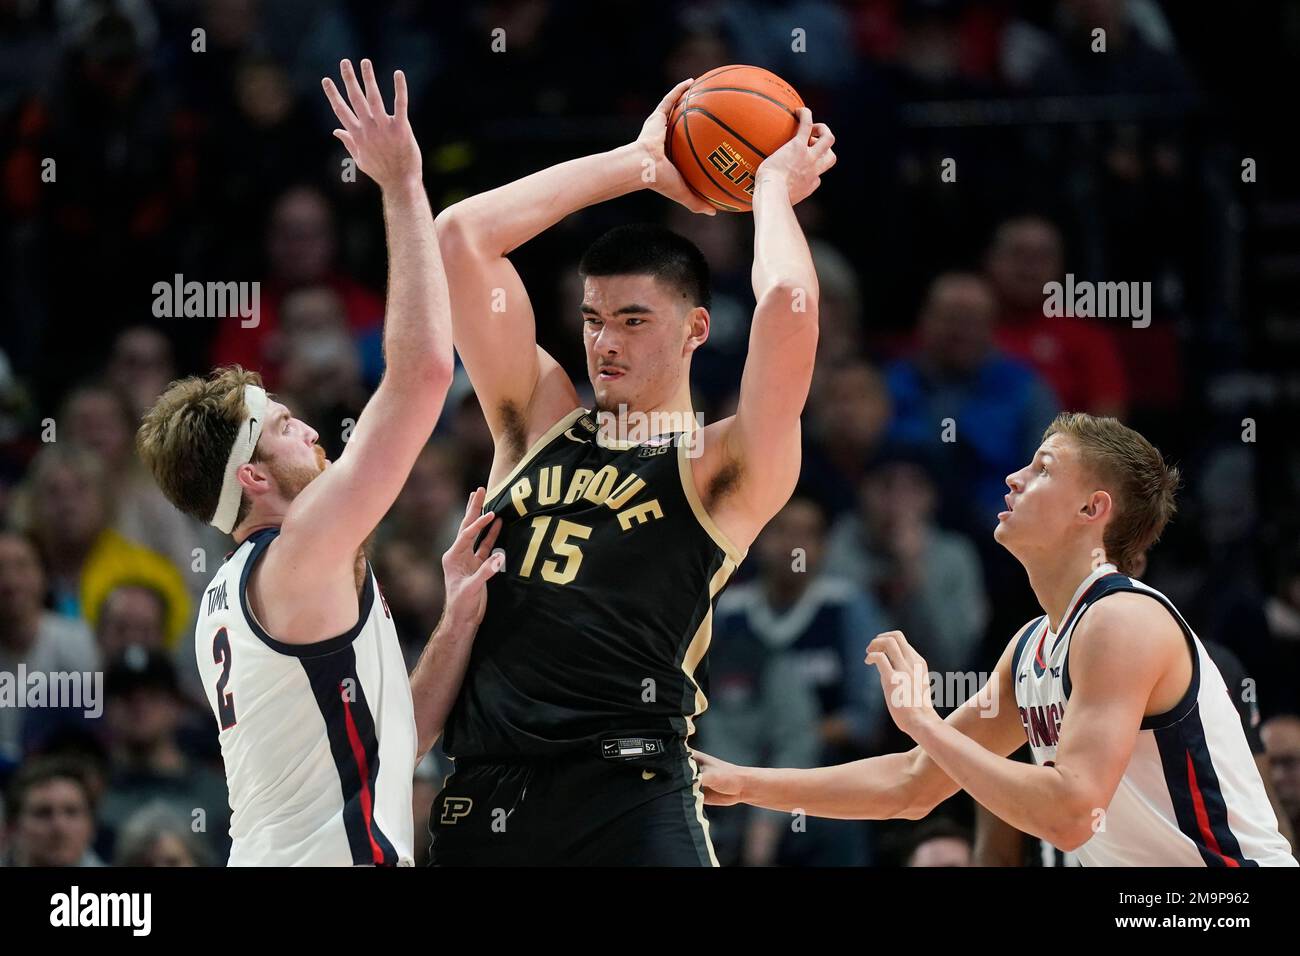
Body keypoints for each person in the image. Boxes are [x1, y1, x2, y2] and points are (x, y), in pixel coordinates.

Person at [430, 79, 836, 865]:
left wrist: (771, 193)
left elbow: (788, 300)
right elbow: (459, 237)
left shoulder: (721, 465)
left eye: (632, 320)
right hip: (486, 791)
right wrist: (639, 163)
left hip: (630, 793)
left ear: (695, 331)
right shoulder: (535, 421)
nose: (604, 343)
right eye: (592, 320)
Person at [134, 59, 494, 866]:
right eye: (289, 428)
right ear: (252, 478)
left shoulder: (244, 594)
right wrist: (402, 182)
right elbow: (425, 374)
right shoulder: (297, 557)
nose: (316, 436)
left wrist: (456, 617)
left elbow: (392, 738)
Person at [697, 412, 1297, 866]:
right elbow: (912, 785)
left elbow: (1070, 814)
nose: (1013, 478)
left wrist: (923, 721)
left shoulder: (1123, 619)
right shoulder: (1034, 646)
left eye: (1042, 469)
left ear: (1093, 508)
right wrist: (743, 782)